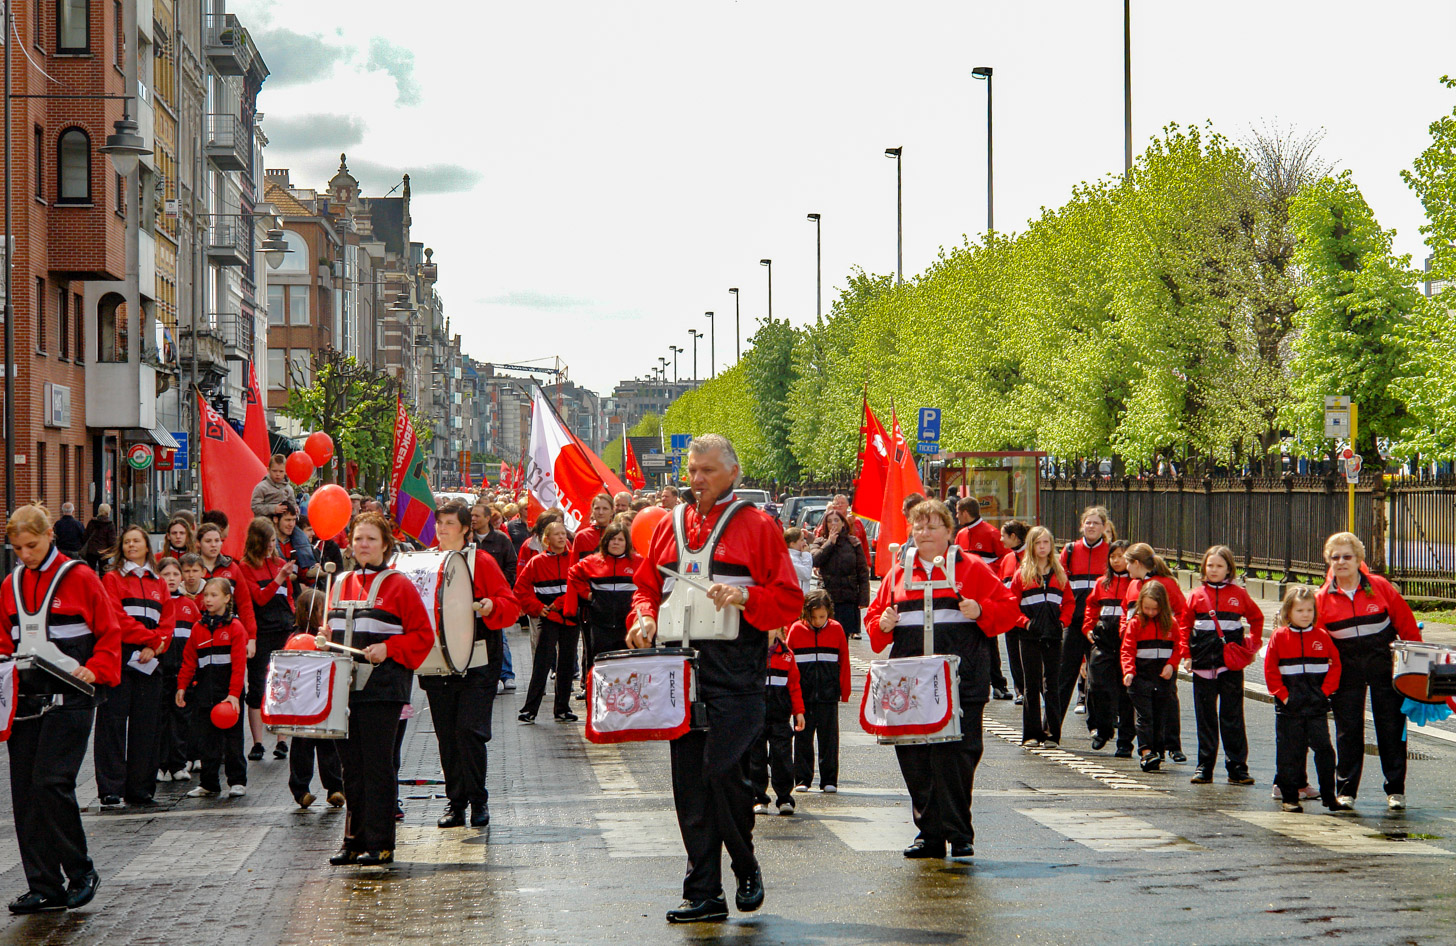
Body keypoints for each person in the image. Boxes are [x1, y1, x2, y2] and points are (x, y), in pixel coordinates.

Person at [627, 434, 803, 923]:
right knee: (689, 785)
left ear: (733, 473)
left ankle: (745, 867)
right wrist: (641, 620)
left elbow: (789, 600)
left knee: (724, 773)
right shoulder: (668, 525)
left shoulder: (758, 526)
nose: (696, 479)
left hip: (737, 671)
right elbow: (646, 588)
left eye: (706, 470)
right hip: (678, 672)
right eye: (691, 470)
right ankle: (703, 891)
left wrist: (747, 599)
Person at [865, 499, 1017, 863]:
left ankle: (959, 833)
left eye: (933, 526)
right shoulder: (897, 573)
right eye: (919, 527)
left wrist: (982, 611)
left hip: (962, 681)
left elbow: (1009, 609)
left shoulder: (973, 568)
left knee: (957, 756)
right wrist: (881, 625)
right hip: (909, 686)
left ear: (950, 531)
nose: (924, 533)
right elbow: (874, 626)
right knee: (914, 757)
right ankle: (929, 833)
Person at [0, 505, 121, 913]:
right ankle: (44, 884)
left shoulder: (81, 577)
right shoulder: (10, 585)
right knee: (25, 793)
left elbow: (109, 631)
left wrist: (97, 669)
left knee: (51, 782)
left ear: (50, 534)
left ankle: (81, 869)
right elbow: (4, 643)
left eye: (31, 546)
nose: (25, 555)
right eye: (17, 549)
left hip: (71, 697)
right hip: (26, 703)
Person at [322, 513, 434, 866]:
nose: (363, 546)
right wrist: (323, 638)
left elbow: (422, 636)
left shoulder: (399, 585)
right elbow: (332, 630)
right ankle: (353, 840)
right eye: (358, 539)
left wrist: (390, 649)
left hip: (384, 689)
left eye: (371, 539)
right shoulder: (339, 583)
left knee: (377, 765)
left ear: (385, 545)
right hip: (344, 689)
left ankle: (381, 841)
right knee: (350, 767)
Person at [422, 501, 520, 829]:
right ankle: (455, 803)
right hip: (438, 662)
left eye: (450, 523)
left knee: (469, 731)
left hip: (478, 660)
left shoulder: (484, 562)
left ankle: (478, 800)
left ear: (466, 528)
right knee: (447, 736)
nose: (442, 529)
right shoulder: (428, 561)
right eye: (439, 523)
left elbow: (510, 604)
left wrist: (492, 605)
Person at [1316, 531, 1421, 811]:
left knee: (1391, 727)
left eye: (1347, 557)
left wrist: (1416, 669)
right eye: (1335, 557)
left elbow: (1408, 627)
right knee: (1347, 730)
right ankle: (1346, 791)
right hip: (1345, 672)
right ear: (1328, 561)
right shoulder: (1321, 599)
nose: (1341, 562)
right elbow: (1316, 642)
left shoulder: (1381, 587)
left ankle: (1395, 790)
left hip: (1384, 668)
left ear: (1359, 559)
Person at [94, 525, 175, 809]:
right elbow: (115, 618)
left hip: (151, 661)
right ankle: (110, 790)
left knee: (147, 728)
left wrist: (155, 646)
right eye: (127, 542)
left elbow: (168, 622)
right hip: (119, 660)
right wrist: (150, 639)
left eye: (136, 541)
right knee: (112, 726)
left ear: (146, 546)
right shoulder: (112, 579)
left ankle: (140, 789)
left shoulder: (159, 583)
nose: (131, 545)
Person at [1179, 545, 1263, 786]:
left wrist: (1253, 645)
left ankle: (1237, 767)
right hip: (1203, 663)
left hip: (1230, 666)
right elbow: (1184, 626)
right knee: (1205, 717)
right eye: (1210, 565)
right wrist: (1186, 655)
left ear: (1228, 569)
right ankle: (1205, 766)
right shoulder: (1196, 595)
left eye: (1219, 566)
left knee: (1232, 715)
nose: (1214, 570)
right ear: (1204, 567)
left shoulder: (1239, 594)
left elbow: (1257, 618)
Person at [1266, 586, 1346, 813]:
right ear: (1288, 612)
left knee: (1325, 751)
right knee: (1289, 753)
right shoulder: (1279, 636)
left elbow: (1336, 665)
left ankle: (1330, 797)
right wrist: (1284, 695)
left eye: (1309, 610)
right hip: (1288, 707)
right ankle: (1290, 798)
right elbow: (1271, 669)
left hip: (1315, 705)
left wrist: (1325, 691)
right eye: (1300, 610)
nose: (1305, 614)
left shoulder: (1322, 637)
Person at [177, 578, 249, 798]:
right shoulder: (198, 628)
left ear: (227, 599)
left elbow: (239, 665)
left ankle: (237, 781)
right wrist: (182, 686)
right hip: (204, 692)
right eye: (206, 595)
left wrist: (234, 695)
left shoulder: (235, 627)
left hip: (228, 692)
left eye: (214, 595)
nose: (208, 599)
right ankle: (209, 783)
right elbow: (189, 660)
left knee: (233, 739)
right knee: (206, 740)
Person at [1007, 526, 1075, 749]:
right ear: (1032, 545)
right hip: (1029, 636)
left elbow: (1069, 602)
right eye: (1038, 543)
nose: (1043, 547)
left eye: (1046, 542)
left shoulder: (1060, 573)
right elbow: (1012, 605)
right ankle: (1031, 733)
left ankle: (1052, 734)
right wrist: (1025, 623)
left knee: (1052, 684)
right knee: (1031, 684)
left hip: (1053, 635)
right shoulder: (1022, 574)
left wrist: (1062, 622)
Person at [238, 518, 299, 762]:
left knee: (283, 684)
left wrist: (292, 616)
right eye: (268, 542)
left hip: (283, 630)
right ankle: (258, 742)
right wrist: (279, 580)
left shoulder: (280, 563)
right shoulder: (245, 568)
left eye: (274, 541)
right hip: (262, 632)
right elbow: (259, 598)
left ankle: (282, 740)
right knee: (257, 686)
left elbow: (290, 596)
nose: (272, 546)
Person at [1122, 542, 1187, 761]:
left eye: (1128, 563)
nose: (1126, 568)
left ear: (1137, 563)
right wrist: (1124, 628)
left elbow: (1181, 612)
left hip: (1164, 653)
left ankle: (1172, 745)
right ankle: (1146, 748)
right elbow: (1127, 610)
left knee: (1166, 703)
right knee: (1144, 709)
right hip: (1140, 651)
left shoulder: (1165, 584)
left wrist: (1178, 653)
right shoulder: (1132, 585)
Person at [786, 590, 851, 793]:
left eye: (821, 617)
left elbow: (844, 662)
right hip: (802, 697)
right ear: (806, 613)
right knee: (802, 738)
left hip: (828, 694)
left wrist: (844, 691)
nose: (817, 621)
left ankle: (829, 779)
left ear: (828, 613)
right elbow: (787, 664)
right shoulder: (796, 630)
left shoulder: (837, 629)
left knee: (829, 739)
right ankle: (802, 778)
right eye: (813, 617)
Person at [515, 519, 579, 723]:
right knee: (542, 662)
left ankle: (562, 708)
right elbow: (520, 589)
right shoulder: (537, 562)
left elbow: (580, 584)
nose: (561, 537)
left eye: (563, 533)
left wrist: (561, 602)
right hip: (548, 618)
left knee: (567, 663)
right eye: (556, 534)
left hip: (570, 617)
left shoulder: (575, 560)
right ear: (547, 539)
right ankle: (529, 709)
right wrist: (537, 608)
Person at [1055, 507, 1113, 732]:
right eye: (1088, 523)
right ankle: (1052, 726)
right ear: (1082, 526)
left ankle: (1098, 725)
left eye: (1096, 523)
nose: (1091, 527)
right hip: (1074, 621)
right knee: (1064, 675)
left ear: (1104, 527)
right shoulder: (1069, 551)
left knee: (1098, 678)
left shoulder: (1110, 552)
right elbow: (1060, 584)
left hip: (1101, 625)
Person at [288, 588, 345, 810]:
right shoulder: (296, 637)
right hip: (303, 701)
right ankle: (301, 790)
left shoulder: (329, 636)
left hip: (323, 698)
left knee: (328, 744)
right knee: (302, 745)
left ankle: (335, 788)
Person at [954, 498, 1012, 699]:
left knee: (990, 639)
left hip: (984, 595)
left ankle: (999, 684)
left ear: (965, 512)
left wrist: (991, 574)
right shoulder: (960, 534)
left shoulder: (991, 533)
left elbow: (1007, 558)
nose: (955, 516)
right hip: (964, 596)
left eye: (957, 512)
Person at [569, 521, 641, 674]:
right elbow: (573, 574)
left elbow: (652, 582)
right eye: (612, 539)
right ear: (605, 541)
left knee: (628, 667)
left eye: (620, 539)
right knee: (600, 665)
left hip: (628, 625)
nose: (616, 543)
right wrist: (587, 594)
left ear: (627, 543)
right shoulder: (593, 561)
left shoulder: (639, 562)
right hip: (600, 625)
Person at [1083, 540, 1134, 756]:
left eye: (1121, 556)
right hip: (1103, 642)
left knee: (1126, 693)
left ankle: (1125, 741)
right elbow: (1091, 606)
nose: (1116, 560)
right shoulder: (1101, 582)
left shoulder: (1136, 584)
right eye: (1113, 556)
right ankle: (1103, 729)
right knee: (1097, 686)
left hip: (1126, 643)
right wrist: (1088, 629)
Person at [750, 631, 805, 816]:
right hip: (755, 717)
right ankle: (758, 798)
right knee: (756, 759)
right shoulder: (749, 651)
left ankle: (784, 798)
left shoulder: (787, 655)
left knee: (782, 758)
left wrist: (799, 712)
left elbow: (794, 685)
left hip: (780, 717)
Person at [155, 557, 195, 785]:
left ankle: (179, 764)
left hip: (182, 672)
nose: (171, 579)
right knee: (159, 719)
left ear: (181, 578)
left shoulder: (189, 605)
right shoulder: (156, 604)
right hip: (160, 670)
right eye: (166, 574)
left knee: (181, 718)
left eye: (174, 574)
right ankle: (159, 765)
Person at [473, 503, 519, 691]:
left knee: (500, 639)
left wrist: (502, 587)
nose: (473, 519)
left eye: (477, 515)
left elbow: (511, 564)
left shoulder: (501, 539)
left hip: (496, 599)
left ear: (487, 518)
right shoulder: (468, 540)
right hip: (476, 602)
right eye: (471, 516)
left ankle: (505, 674)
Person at [812, 510, 870, 641]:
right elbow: (815, 560)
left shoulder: (853, 542)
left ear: (843, 523)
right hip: (827, 596)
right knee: (825, 636)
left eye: (836, 520)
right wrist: (829, 543)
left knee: (843, 638)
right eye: (829, 521)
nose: (833, 523)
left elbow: (862, 572)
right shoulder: (820, 542)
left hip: (848, 597)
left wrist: (863, 598)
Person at [196, 522, 258, 644]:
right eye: (208, 541)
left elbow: (244, 604)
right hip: (198, 632)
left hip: (228, 631)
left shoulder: (232, 568)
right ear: (198, 543)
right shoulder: (190, 568)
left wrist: (251, 637)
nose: (213, 545)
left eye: (217, 540)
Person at [251, 455, 312, 558]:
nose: (278, 475)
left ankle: (309, 564)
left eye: (281, 471)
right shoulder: (261, 487)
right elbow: (255, 506)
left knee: (300, 535)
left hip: (283, 520)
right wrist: (273, 509)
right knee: (273, 538)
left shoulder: (288, 488)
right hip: (266, 521)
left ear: (286, 471)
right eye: (274, 471)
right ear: (268, 470)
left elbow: (292, 503)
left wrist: (295, 508)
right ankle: (280, 564)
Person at [997, 520, 1030, 703]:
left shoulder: (1030, 556)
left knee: (1028, 653)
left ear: (1013, 537)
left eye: (1004, 535)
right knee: (1012, 653)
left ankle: (1033, 689)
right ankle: (1020, 690)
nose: (1001, 539)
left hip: (1026, 613)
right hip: (1010, 614)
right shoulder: (1007, 558)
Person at [814, 495, 871, 573]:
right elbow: (818, 542)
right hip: (832, 565)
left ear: (848, 505)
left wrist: (867, 563)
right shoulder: (827, 523)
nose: (839, 505)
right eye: (837, 503)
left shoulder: (857, 522)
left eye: (842, 503)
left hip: (854, 564)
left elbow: (864, 544)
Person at [574, 494, 614, 558]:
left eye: (605, 509)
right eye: (597, 508)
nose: (601, 512)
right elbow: (574, 565)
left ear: (612, 511)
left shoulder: (618, 535)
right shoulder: (582, 536)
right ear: (592, 511)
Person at [79, 504, 116, 572]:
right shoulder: (110, 524)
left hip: (91, 550)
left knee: (90, 571)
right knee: (103, 572)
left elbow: (85, 536)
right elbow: (111, 541)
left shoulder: (92, 522)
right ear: (108, 512)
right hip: (103, 551)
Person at [785, 528, 814, 595]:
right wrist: (806, 554)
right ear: (792, 544)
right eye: (801, 540)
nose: (804, 542)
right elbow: (806, 575)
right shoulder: (790, 558)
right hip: (794, 597)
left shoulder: (801, 555)